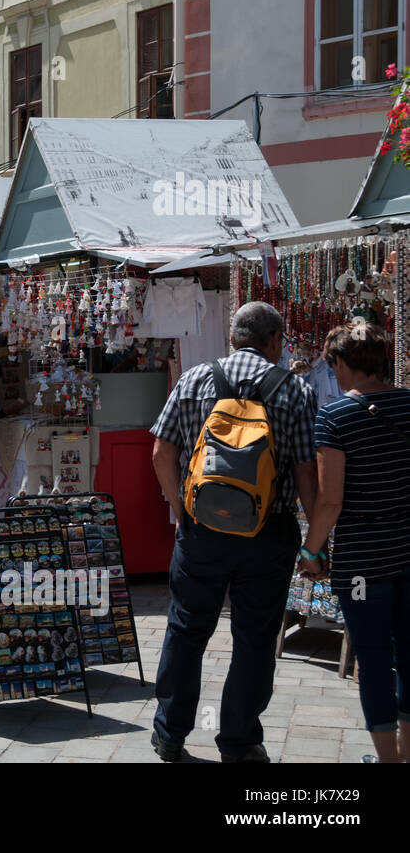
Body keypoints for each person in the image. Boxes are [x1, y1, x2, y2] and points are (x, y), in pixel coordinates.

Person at [150, 301, 318, 764]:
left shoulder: (193, 380)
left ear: (232, 339)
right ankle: (239, 742)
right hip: (268, 534)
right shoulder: (296, 391)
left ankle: (170, 734)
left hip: (201, 529)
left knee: (186, 629)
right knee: (254, 637)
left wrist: (180, 508)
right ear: (275, 342)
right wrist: (315, 540)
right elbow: (306, 474)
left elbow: (161, 453)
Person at [301, 322, 410, 763]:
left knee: (373, 655)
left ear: (342, 363)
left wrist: (311, 551)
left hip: (364, 559)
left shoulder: (335, 416)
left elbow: (329, 500)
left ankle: (388, 759)